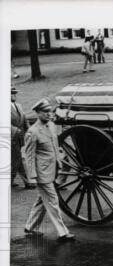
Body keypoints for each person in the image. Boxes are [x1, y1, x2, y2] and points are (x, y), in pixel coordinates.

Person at [24, 98, 75, 242]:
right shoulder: (32, 132)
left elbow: (55, 146)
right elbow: (29, 156)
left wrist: (60, 163)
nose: (49, 114)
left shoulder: (52, 126)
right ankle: (63, 232)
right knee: (52, 200)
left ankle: (30, 227)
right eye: (45, 112)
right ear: (38, 113)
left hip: (52, 170)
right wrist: (32, 177)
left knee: (42, 200)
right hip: (41, 174)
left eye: (49, 111)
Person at [11, 86, 35, 189]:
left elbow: (24, 119)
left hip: (20, 137)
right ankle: (28, 182)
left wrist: (29, 131)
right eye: (12, 93)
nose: (14, 95)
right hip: (10, 137)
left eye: (15, 93)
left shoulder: (19, 106)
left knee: (17, 158)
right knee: (17, 159)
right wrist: (16, 131)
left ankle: (10, 180)